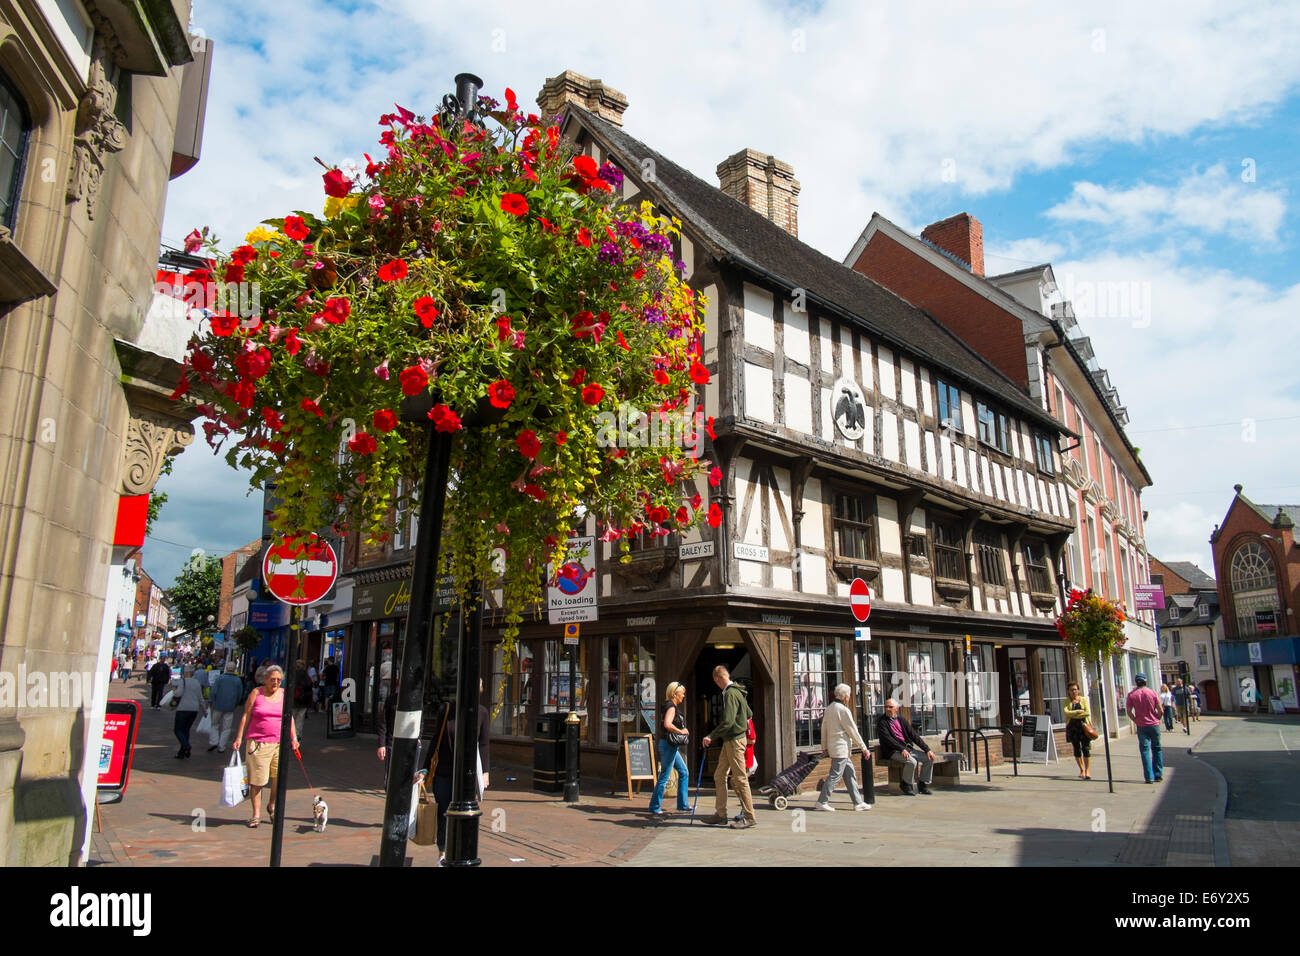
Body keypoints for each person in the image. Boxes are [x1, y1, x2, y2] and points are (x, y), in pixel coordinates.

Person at [422, 684, 490, 865]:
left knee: (467, 814)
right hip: (444, 771)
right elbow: (436, 739)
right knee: (444, 812)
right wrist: (425, 768)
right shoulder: (446, 709)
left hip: (467, 774)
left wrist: (485, 772)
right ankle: (442, 854)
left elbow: (483, 744)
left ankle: (463, 852)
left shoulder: (482, 713)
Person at [232, 665, 299, 827]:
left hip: (279, 744)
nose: (275, 683)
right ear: (265, 679)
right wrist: (239, 737)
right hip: (258, 743)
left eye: (278, 680)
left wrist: (294, 738)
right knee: (257, 780)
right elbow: (246, 715)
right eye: (272, 679)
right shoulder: (257, 693)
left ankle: (272, 804)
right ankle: (256, 814)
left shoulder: (284, 695)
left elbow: (289, 718)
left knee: (277, 778)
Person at [700, 665, 756, 829]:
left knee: (740, 778)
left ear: (718, 679)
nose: (716, 684)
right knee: (719, 775)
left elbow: (728, 721)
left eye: (715, 681)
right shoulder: (738, 691)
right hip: (730, 740)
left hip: (734, 740)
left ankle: (749, 815)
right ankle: (720, 814)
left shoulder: (730, 693)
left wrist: (711, 735)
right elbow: (749, 713)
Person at [815, 683, 871, 811]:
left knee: (850, 774)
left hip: (836, 748)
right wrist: (864, 748)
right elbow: (852, 730)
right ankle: (822, 801)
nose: (850, 698)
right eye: (849, 695)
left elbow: (824, 728)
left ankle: (857, 802)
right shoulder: (843, 710)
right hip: (841, 748)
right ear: (845, 696)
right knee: (834, 776)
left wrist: (824, 746)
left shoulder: (829, 708)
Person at [648, 682, 692, 818]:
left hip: (670, 745)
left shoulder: (670, 706)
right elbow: (667, 724)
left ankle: (682, 804)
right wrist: (681, 732)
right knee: (665, 776)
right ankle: (655, 806)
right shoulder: (671, 707)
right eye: (682, 693)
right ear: (675, 694)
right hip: (668, 745)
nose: (683, 696)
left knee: (684, 772)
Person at [875, 698, 935, 795]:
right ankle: (905, 784)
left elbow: (914, 735)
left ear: (896, 709)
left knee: (929, 758)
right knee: (912, 761)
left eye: (890, 707)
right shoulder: (882, 722)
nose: (887, 709)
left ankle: (923, 784)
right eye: (886, 707)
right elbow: (888, 739)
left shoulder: (901, 720)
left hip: (907, 749)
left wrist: (927, 749)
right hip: (893, 751)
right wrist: (901, 749)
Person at [1125, 673, 1163, 784]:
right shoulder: (1152, 693)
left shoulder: (1132, 694)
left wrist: (1135, 720)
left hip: (1141, 725)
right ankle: (1158, 774)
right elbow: (1160, 710)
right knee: (1156, 748)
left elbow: (1128, 711)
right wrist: (1158, 718)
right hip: (1154, 724)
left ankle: (1148, 777)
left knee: (1145, 751)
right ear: (1145, 681)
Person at [208, 662, 245, 753]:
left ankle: (214, 741)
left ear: (226, 668)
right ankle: (222, 746)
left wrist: (211, 701)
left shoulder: (220, 678)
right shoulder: (237, 680)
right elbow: (240, 694)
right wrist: (236, 703)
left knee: (214, 724)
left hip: (218, 705)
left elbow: (214, 691)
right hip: (230, 706)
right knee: (227, 727)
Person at [171, 666, 207, 759]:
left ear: (186, 673)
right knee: (186, 730)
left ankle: (186, 746)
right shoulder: (196, 682)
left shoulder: (183, 681)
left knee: (178, 730)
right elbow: (200, 698)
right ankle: (182, 753)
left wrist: (174, 691)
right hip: (194, 710)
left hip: (183, 708)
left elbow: (178, 693)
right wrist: (204, 710)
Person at [1063, 681, 1092, 779]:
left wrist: (1073, 713)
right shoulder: (1066, 701)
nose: (1073, 691)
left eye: (1075, 689)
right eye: (1071, 690)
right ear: (1068, 691)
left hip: (1084, 727)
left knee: (1086, 748)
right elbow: (1066, 713)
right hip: (1072, 728)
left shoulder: (1083, 700)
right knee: (1076, 748)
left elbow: (1087, 713)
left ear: (1078, 691)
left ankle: (1087, 770)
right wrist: (1079, 711)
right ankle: (1082, 769)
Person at [292, 659, 313, 729]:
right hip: (304, 700)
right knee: (300, 718)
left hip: (293, 699)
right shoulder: (306, 676)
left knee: (292, 718)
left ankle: (291, 734)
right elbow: (310, 686)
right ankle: (297, 735)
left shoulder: (292, 675)